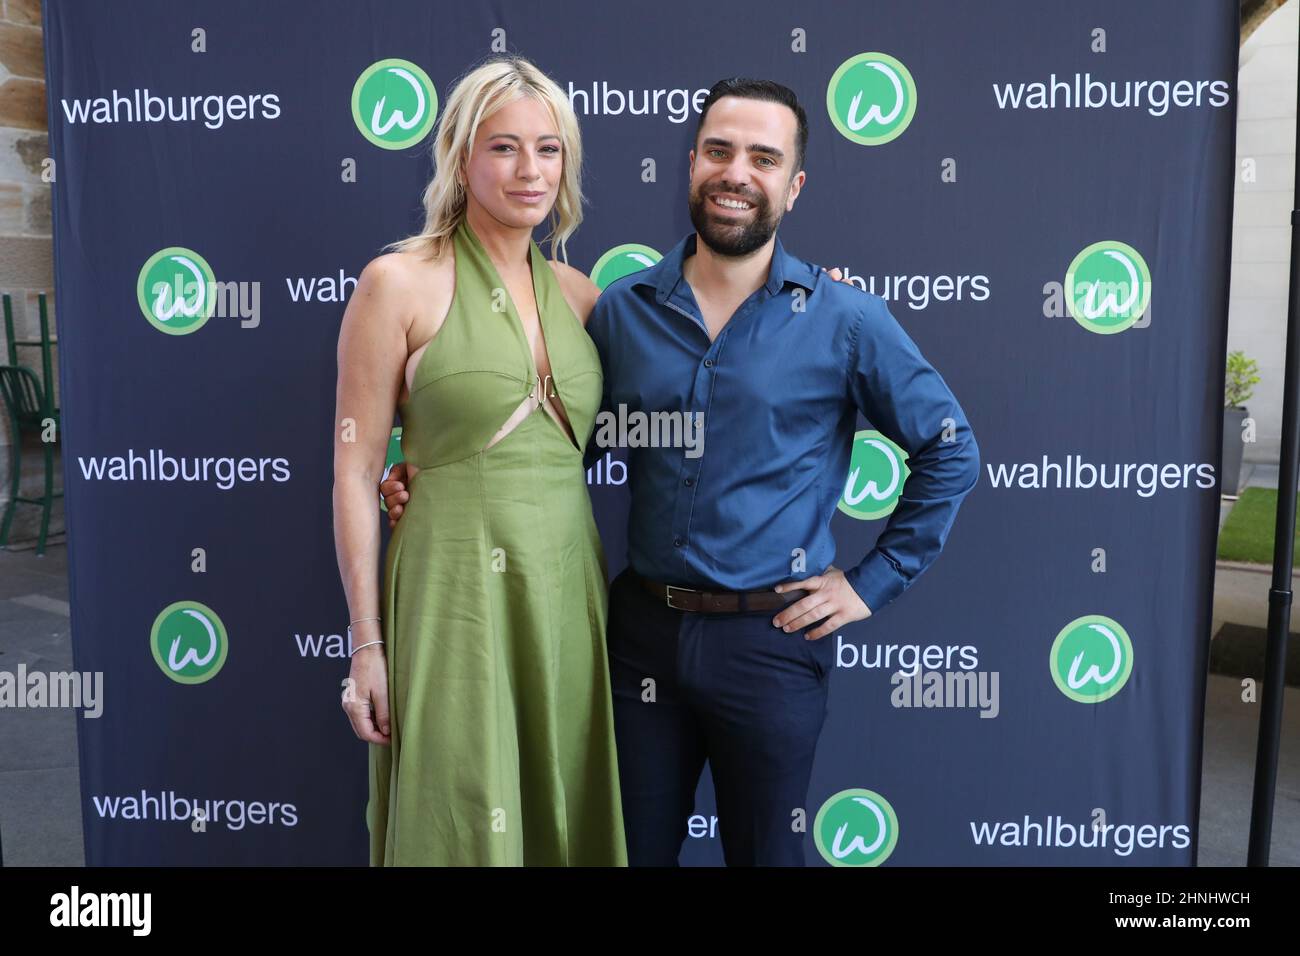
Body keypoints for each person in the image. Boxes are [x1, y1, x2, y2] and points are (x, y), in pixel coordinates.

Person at [384, 76, 979, 866]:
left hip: (771, 645)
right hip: (638, 643)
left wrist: (869, 584)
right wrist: (428, 478)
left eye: (763, 158)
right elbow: (560, 448)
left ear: (792, 187)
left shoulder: (846, 320)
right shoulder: (619, 309)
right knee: (623, 852)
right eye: (720, 151)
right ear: (691, 163)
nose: (738, 172)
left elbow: (949, 448)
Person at [332, 55, 626, 866]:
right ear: (461, 157)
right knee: (460, 803)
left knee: (559, 798)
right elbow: (357, 472)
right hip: (450, 588)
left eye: (549, 148)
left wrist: (810, 308)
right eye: (503, 147)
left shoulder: (583, 296)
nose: (529, 170)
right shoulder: (397, 283)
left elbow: (706, 377)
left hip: (568, 590)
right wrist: (366, 646)